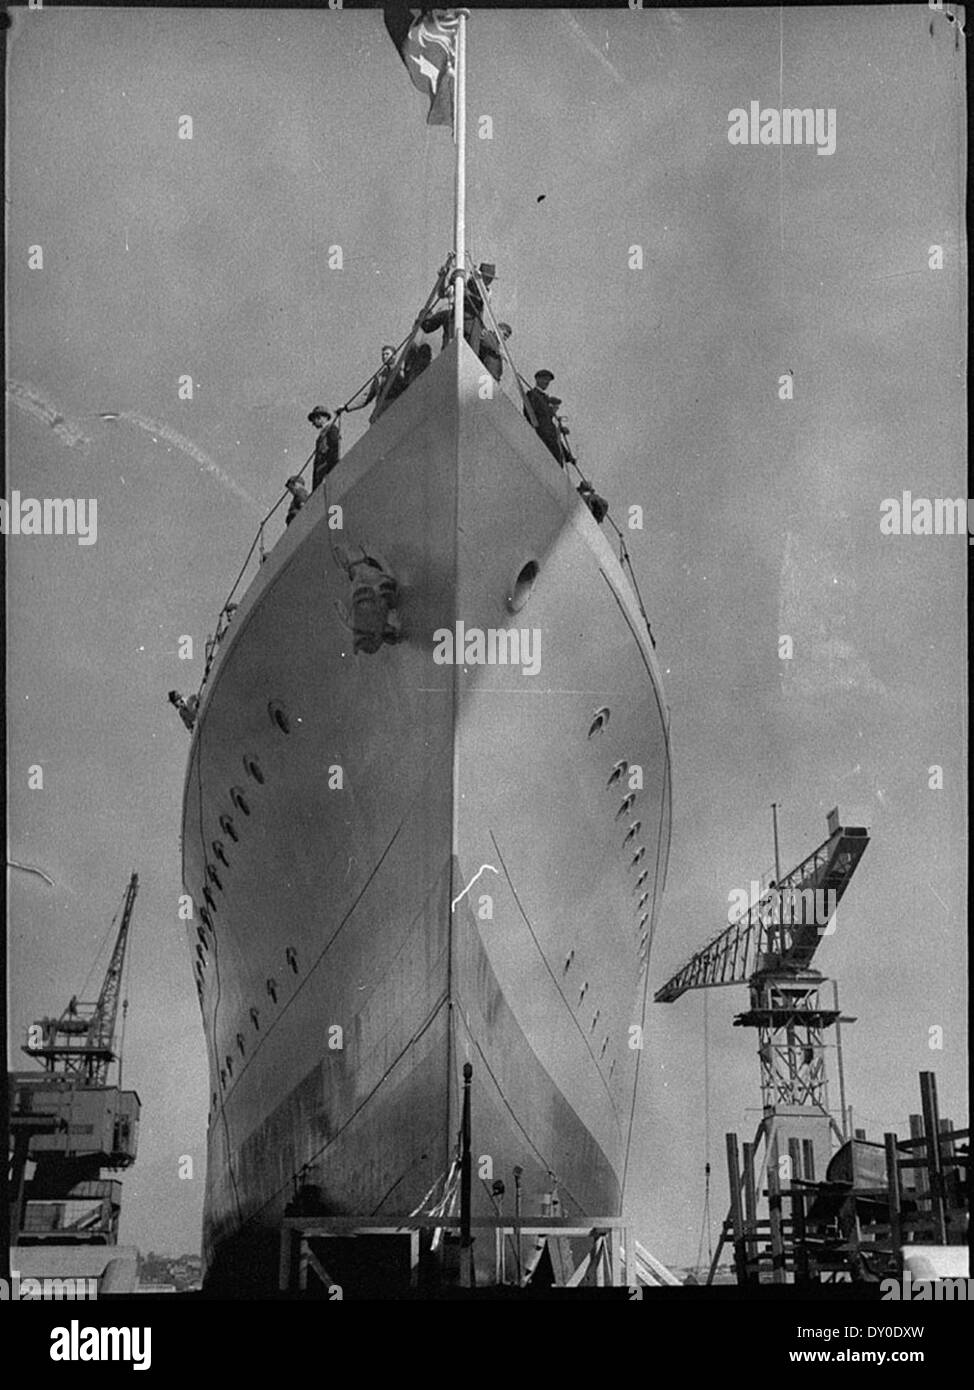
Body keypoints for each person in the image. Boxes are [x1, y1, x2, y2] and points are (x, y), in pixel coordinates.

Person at [523, 369, 565, 464]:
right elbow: (530, 415)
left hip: (549, 437)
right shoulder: (532, 395)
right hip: (542, 437)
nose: (546, 382)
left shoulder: (544, 398)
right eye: (544, 379)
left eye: (548, 380)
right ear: (537, 379)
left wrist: (568, 457)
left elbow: (549, 423)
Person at [308, 407, 341, 489]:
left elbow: (334, 450)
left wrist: (331, 471)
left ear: (320, 417)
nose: (313, 424)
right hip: (320, 472)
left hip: (326, 471)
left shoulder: (332, 429)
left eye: (314, 420)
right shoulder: (322, 434)